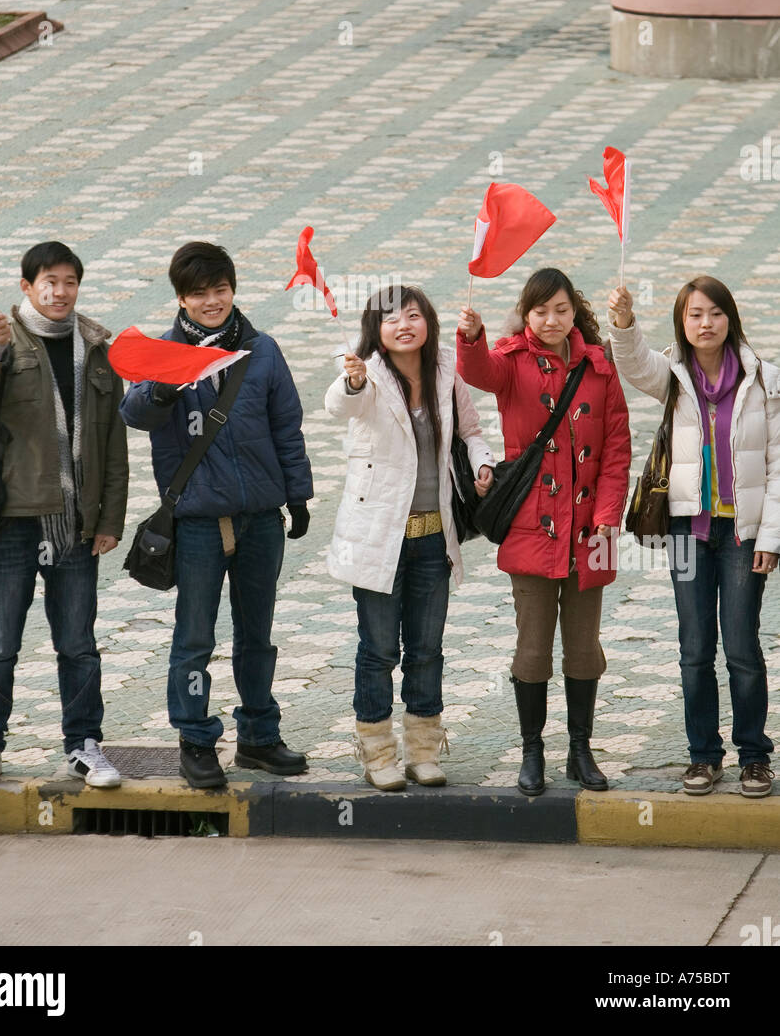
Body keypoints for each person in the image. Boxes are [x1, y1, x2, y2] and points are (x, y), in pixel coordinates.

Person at [120, 241, 313, 790]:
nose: (212, 302)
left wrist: (296, 495)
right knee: (195, 638)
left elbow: (287, 428)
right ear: (182, 298)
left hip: (260, 518)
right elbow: (134, 414)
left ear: (233, 289)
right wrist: (165, 381)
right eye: (199, 294)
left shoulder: (263, 350)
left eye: (220, 290)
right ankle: (196, 740)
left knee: (258, 635)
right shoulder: (162, 351)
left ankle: (258, 737)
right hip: (198, 520)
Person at [0, 241, 129, 792]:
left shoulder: (98, 347)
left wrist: (110, 519)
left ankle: (83, 745)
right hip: (12, 520)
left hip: (77, 522)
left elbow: (114, 441)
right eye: (47, 282)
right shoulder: (4, 337)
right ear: (27, 286)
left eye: (69, 281)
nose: (59, 292)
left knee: (78, 642)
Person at [457, 267, 631, 796]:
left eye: (560, 309)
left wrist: (606, 516)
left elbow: (618, 450)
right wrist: (470, 338)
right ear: (527, 315)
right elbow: (477, 373)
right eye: (540, 311)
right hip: (532, 530)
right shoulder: (509, 362)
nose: (551, 319)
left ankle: (580, 750)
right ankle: (532, 751)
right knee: (532, 648)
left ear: (574, 311)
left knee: (585, 649)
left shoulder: (601, 368)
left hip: (592, 536)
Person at [608, 277, 779, 798]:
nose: (705, 324)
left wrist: (770, 536)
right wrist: (623, 322)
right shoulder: (675, 376)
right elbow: (635, 364)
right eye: (694, 315)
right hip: (688, 530)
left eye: (715, 314)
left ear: (731, 319)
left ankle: (754, 756)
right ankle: (704, 756)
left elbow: (777, 464)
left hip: (743, 534)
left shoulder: (765, 379)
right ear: (682, 323)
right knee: (695, 648)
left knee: (744, 648)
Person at [325, 285, 495, 791]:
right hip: (379, 539)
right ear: (375, 329)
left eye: (414, 315)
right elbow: (342, 405)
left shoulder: (445, 369)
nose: (404, 325)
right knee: (378, 650)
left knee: (427, 648)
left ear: (428, 322)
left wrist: (483, 463)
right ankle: (377, 753)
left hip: (433, 538)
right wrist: (352, 381)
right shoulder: (366, 372)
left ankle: (423, 750)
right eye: (391, 318)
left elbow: (471, 431)